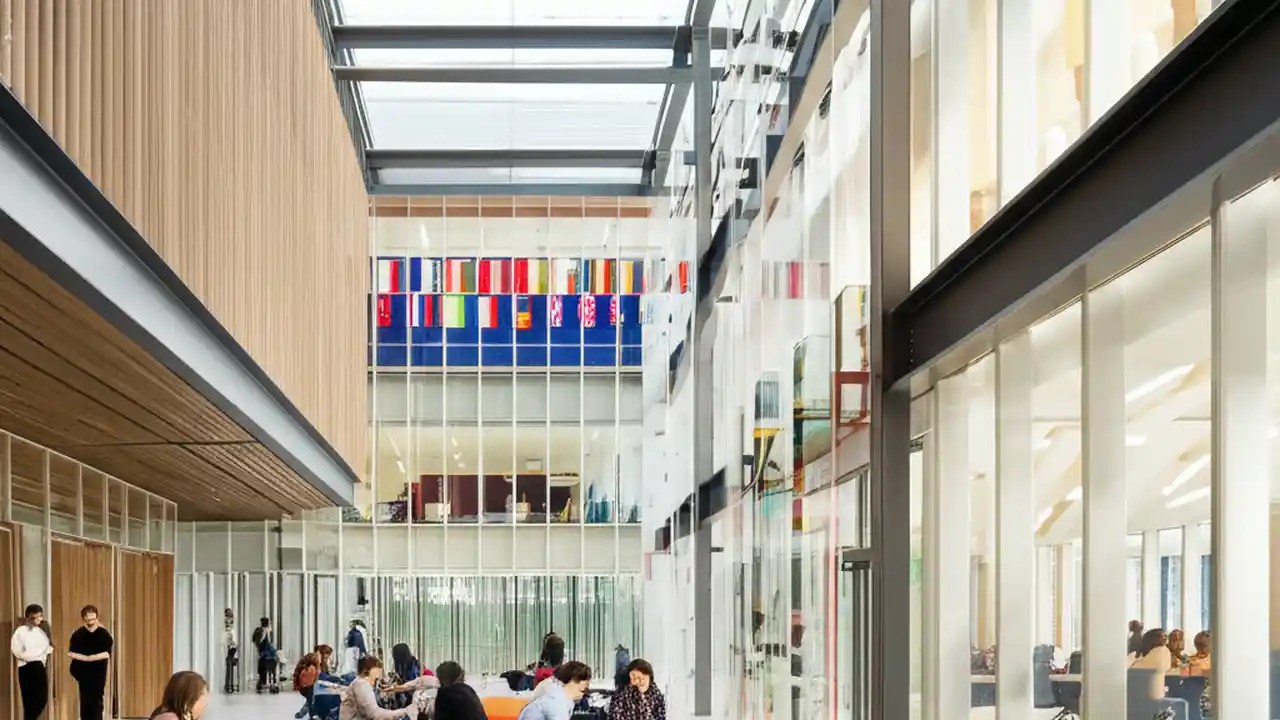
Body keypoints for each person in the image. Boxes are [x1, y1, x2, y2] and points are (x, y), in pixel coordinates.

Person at [68, 604, 113, 720]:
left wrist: (90, 658)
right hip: (83, 673)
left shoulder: (103, 634)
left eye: (93, 619)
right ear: (83, 618)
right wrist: (86, 658)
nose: (91, 621)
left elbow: (107, 653)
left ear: (97, 617)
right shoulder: (78, 634)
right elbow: (71, 653)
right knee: (85, 700)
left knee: (97, 700)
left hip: (98, 672)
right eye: (88, 619)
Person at [11, 603, 52, 720]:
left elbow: (46, 648)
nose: (38, 620)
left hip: (39, 666)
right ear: (28, 618)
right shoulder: (20, 631)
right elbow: (16, 650)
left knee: (42, 698)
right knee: (29, 701)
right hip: (27, 667)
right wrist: (31, 656)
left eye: (40, 616)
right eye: (34, 617)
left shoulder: (41, 631)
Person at [518, 661, 592, 720]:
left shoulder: (560, 694)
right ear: (572, 680)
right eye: (584, 680)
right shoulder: (556, 699)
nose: (587, 686)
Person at [1129, 628, 1172, 698]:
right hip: (1157, 694)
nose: (1165, 638)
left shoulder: (1160, 651)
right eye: (1163, 636)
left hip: (1148, 697)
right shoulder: (1164, 651)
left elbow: (1134, 669)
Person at [252, 617, 276, 692]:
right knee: (266, 667)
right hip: (265, 653)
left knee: (262, 668)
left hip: (262, 652)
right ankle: (265, 682)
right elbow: (267, 642)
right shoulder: (265, 631)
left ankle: (262, 682)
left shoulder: (259, 630)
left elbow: (255, 641)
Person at [223, 609, 238, 693]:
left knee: (229, 662)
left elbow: (229, 633)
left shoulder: (229, 625)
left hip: (231, 645)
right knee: (229, 663)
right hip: (231, 645)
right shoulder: (230, 625)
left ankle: (229, 684)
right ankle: (229, 684)